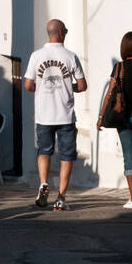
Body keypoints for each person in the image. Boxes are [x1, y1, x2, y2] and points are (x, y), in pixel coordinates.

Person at [23, 19, 88, 211]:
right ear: (60, 33)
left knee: (44, 151)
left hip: (44, 115)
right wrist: (69, 86)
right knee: (66, 155)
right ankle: (60, 197)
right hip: (65, 116)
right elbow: (83, 85)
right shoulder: (71, 56)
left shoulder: (36, 56)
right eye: (65, 31)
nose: (66, 33)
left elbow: (27, 85)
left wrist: (41, 87)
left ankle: (43, 183)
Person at [97, 32, 132, 210]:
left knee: (129, 156)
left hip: (124, 117)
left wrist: (101, 116)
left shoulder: (120, 67)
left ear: (123, 48)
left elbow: (110, 93)